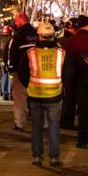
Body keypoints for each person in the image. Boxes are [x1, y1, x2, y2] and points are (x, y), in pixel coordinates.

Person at [25, 21, 65, 167]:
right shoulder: (61, 53)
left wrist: (29, 86)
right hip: (54, 96)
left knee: (36, 127)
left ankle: (37, 156)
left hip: (35, 96)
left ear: (39, 35)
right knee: (54, 127)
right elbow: (67, 74)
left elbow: (23, 73)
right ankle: (54, 157)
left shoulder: (31, 53)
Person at [62, 15, 88, 149]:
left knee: (83, 112)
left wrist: (68, 82)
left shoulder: (71, 41)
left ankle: (82, 139)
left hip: (78, 81)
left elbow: (66, 64)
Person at [8, 13, 39, 131]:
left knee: (19, 98)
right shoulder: (36, 34)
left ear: (21, 21)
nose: (15, 23)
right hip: (37, 71)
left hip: (21, 71)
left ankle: (20, 123)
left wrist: (12, 68)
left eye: (16, 21)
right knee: (36, 97)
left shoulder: (18, 36)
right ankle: (39, 121)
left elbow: (12, 53)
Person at [0, 23, 14, 100]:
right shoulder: (11, 39)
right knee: (10, 76)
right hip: (9, 60)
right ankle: (9, 92)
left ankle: (3, 92)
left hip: (0, 60)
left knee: (3, 75)